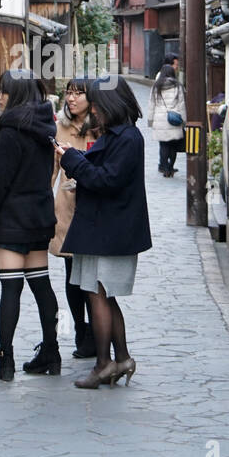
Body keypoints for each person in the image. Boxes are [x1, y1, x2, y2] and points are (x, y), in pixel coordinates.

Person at [55, 75, 152, 389]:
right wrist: (76, 157)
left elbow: (106, 180)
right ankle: (121, 358)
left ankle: (103, 364)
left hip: (110, 232)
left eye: (96, 103)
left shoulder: (127, 138)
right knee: (103, 297)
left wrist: (72, 160)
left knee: (98, 296)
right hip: (104, 230)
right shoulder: (121, 135)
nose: (92, 109)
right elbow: (102, 171)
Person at [0, 69, 60, 381]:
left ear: (17, 94)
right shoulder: (45, 126)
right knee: (41, 285)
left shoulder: (11, 130)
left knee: (11, 288)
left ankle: (5, 361)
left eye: (3, 91)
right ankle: (52, 352)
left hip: (11, 219)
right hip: (39, 217)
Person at [48, 76, 98, 360]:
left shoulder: (100, 128)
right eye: (69, 93)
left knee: (91, 274)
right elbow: (51, 171)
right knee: (71, 274)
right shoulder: (60, 128)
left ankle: (97, 330)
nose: (72, 98)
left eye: (79, 93)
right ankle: (81, 330)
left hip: (93, 207)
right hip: (67, 207)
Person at [149, 63, 186, 177]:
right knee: (173, 146)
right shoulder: (178, 86)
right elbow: (181, 105)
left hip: (160, 119)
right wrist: (184, 120)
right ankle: (170, 167)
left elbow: (152, 104)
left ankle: (164, 169)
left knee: (164, 146)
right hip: (174, 119)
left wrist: (150, 120)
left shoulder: (156, 86)